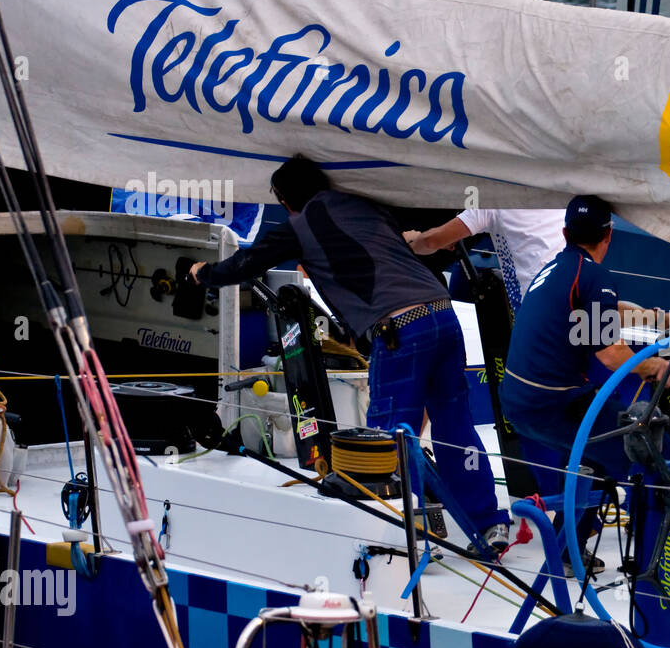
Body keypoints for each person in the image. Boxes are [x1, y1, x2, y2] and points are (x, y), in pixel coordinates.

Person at [190, 154, 511, 555]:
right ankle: (489, 525)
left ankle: (389, 543)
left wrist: (204, 272)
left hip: (399, 329)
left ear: (285, 200)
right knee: (455, 425)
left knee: (381, 441)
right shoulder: (368, 207)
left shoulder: (297, 225)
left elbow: (244, 264)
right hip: (443, 315)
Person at [501, 195, 670, 569]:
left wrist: (668, 320)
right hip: (554, 405)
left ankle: (567, 552)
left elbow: (597, 313)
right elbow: (609, 352)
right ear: (609, 236)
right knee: (658, 453)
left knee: (598, 460)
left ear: (565, 233)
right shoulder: (595, 277)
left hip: (519, 401)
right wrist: (661, 369)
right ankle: (664, 564)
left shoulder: (557, 270)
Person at [403, 207, 565, 312]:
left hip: (536, 309)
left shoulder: (494, 203)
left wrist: (413, 239)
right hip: (577, 298)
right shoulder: (560, 196)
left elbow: (431, 241)